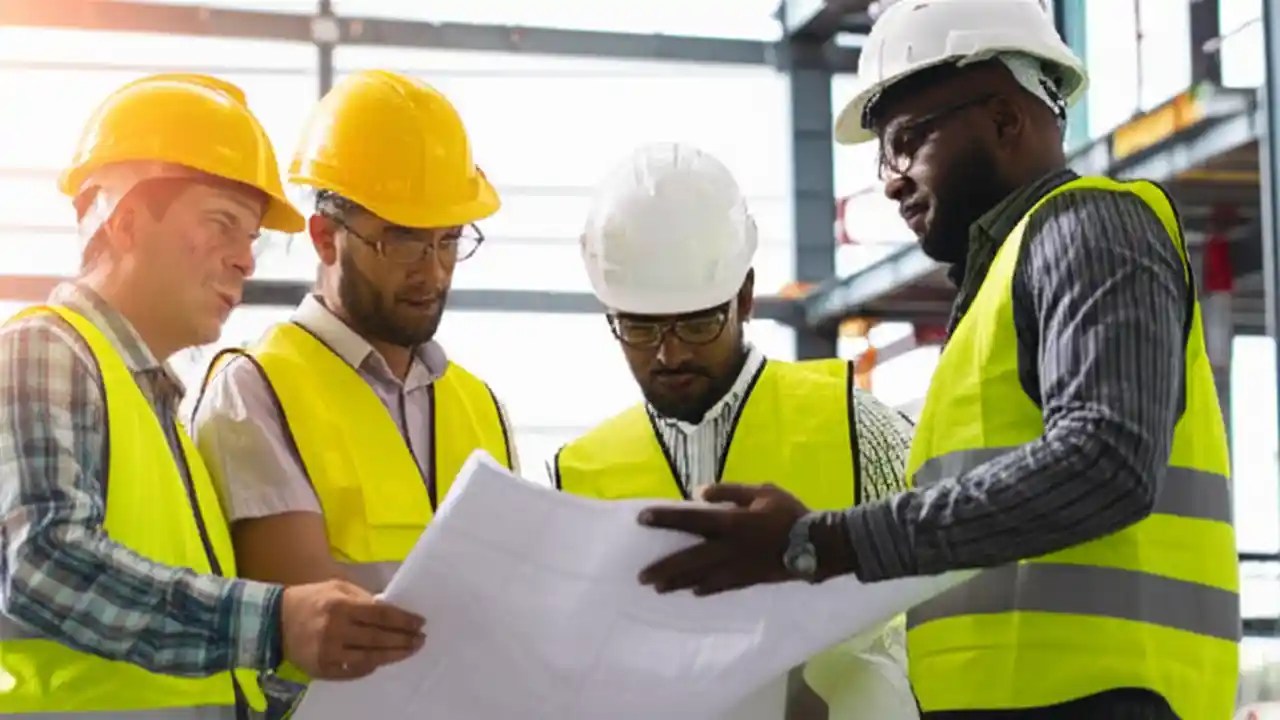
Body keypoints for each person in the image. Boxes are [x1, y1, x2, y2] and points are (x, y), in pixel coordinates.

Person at [632, 2, 1239, 720]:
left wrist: (817, 543)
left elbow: (1106, 461)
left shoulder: (1091, 228)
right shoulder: (996, 294)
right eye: (882, 155)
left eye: (909, 141)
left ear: (1006, 120)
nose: (890, 179)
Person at [0, 73, 426, 719]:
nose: (245, 261)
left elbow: (203, 668)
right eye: (222, 223)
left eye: (251, 238)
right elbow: (41, 565)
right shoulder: (45, 352)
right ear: (128, 219)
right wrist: (277, 622)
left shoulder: (158, 409)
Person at [553, 142, 919, 719]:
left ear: (744, 297)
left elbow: (932, 602)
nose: (669, 354)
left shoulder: (858, 427)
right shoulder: (571, 474)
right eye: (640, 329)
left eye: (697, 323)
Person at [190, 69, 517, 711]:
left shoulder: (482, 406)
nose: (433, 271)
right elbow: (307, 649)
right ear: (323, 237)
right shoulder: (256, 390)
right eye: (401, 240)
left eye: (449, 240)